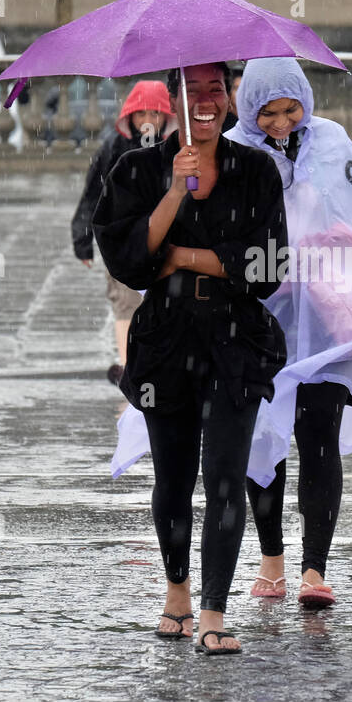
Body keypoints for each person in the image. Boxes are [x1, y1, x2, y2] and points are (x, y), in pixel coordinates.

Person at [92, 61, 288, 655]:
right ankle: (177, 590)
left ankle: (213, 611)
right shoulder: (138, 168)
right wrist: (174, 192)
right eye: (192, 89)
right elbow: (127, 259)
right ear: (173, 99)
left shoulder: (256, 169)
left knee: (225, 477)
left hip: (237, 342)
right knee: (173, 480)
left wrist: (185, 256)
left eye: (215, 89)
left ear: (229, 98)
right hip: (166, 340)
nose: (205, 101)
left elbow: (269, 265)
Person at [224, 57, 352, 607]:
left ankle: (315, 567)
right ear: (249, 108)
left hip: (333, 320)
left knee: (319, 437)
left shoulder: (333, 142)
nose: (283, 123)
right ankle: (272, 559)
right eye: (269, 113)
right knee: (263, 437)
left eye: (293, 110)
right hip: (265, 322)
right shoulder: (231, 153)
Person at [71, 80, 177, 384]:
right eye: (140, 113)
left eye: (154, 114)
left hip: (165, 239)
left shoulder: (177, 148)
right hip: (122, 240)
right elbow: (92, 195)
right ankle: (130, 367)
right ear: (129, 115)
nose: (146, 121)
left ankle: (160, 363)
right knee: (125, 302)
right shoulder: (113, 148)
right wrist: (83, 239)